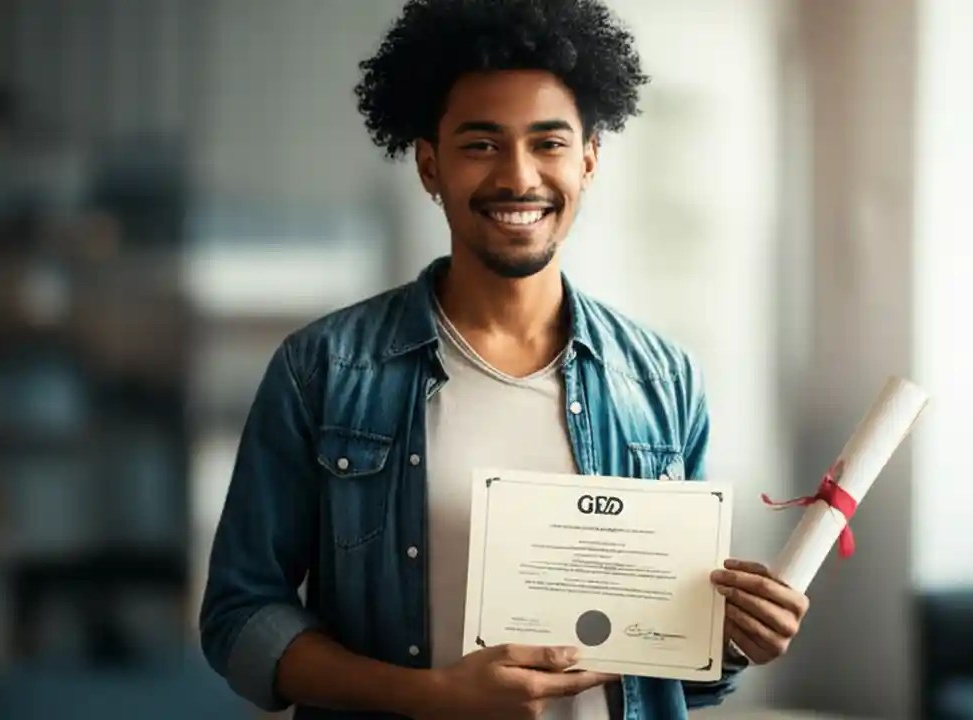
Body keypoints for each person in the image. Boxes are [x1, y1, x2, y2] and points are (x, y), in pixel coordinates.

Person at [200, 1, 810, 718]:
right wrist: (429, 697)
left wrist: (733, 638)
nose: (519, 176)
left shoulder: (663, 381)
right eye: (481, 144)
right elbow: (241, 618)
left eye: (548, 143)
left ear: (588, 161)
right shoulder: (323, 371)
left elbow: (674, 667)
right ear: (430, 165)